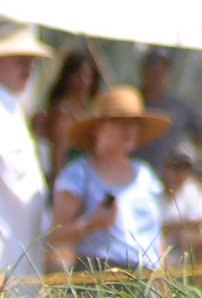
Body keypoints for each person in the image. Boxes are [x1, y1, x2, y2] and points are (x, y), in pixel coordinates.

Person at [49, 87, 168, 275]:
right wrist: (92, 224)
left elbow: (158, 237)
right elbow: (54, 235)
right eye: (120, 122)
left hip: (147, 278)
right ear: (98, 127)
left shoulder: (145, 175)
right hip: (101, 277)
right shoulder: (78, 174)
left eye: (135, 123)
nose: (129, 130)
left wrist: (165, 287)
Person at [0, 20, 54, 293]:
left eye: (32, 61)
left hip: (20, 256)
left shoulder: (13, 110)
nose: (29, 68)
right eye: (20, 60)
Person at [132, 49, 202, 174]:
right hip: (135, 174)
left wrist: (189, 154)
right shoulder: (132, 102)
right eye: (153, 70)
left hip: (167, 179)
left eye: (163, 71)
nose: (158, 75)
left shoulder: (178, 106)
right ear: (143, 71)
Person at [35, 47, 100, 182]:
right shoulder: (63, 111)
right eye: (79, 75)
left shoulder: (89, 109)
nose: (84, 81)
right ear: (68, 76)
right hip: (69, 180)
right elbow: (59, 154)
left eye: (88, 75)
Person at [159, 144, 202, 265]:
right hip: (159, 251)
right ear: (166, 168)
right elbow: (156, 230)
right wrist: (186, 224)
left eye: (186, 169)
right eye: (177, 167)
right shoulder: (154, 192)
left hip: (184, 252)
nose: (181, 174)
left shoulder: (191, 192)